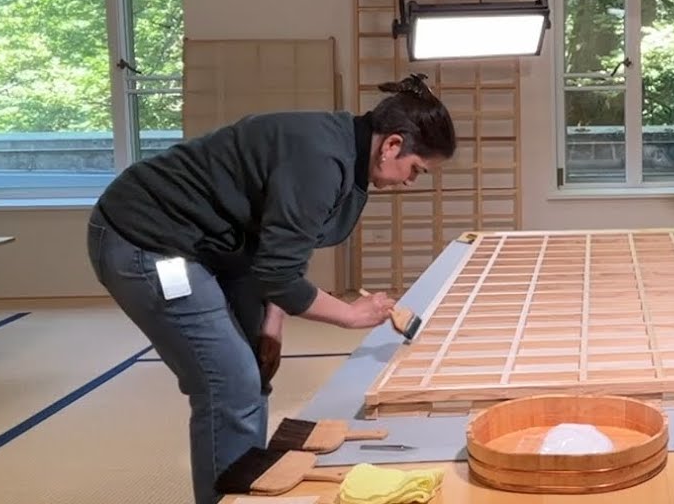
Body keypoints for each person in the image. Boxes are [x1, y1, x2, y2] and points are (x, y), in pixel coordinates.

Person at [85, 73, 456, 504]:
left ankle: (247, 485)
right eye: (416, 170)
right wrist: (351, 314)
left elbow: (277, 250)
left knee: (255, 369)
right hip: (146, 242)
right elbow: (279, 275)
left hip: (213, 248)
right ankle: (228, 498)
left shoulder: (339, 148)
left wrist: (271, 323)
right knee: (231, 381)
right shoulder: (321, 158)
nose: (411, 181)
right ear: (392, 145)